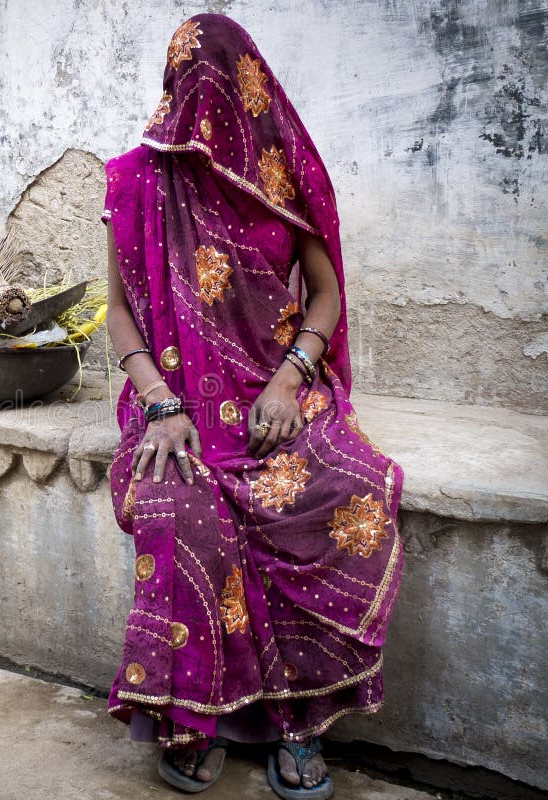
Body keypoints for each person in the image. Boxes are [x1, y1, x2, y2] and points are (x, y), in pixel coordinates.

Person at [101, 13, 404, 799]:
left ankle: (301, 720)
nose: (198, 105)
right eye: (185, 85)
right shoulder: (136, 180)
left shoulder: (282, 176)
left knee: (342, 489)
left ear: (247, 86)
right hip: (175, 399)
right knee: (180, 508)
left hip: (276, 390)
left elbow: (327, 295)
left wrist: (289, 378)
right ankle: (195, 719)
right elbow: (122, 314)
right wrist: (160, 402)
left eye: (215, 86)